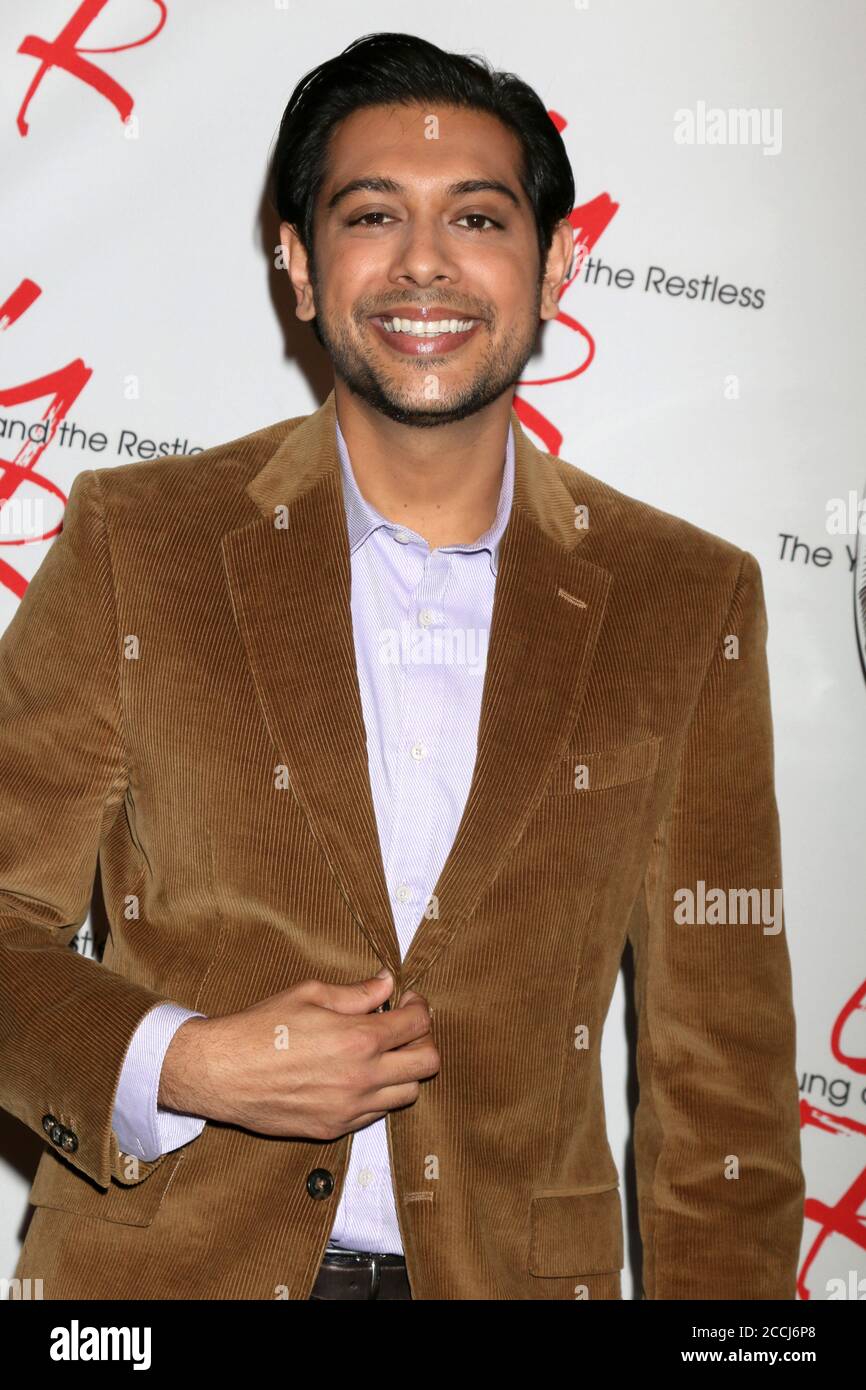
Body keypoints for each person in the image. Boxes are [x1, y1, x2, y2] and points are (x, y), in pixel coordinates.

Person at [3, 31, 804, 1300]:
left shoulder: (681, 598)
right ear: (299, 267)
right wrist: (187, 1061)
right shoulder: (137, 544)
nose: (423, 261)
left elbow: (724, 1077)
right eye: (371, 213)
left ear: (554, 263)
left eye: (476, 217)